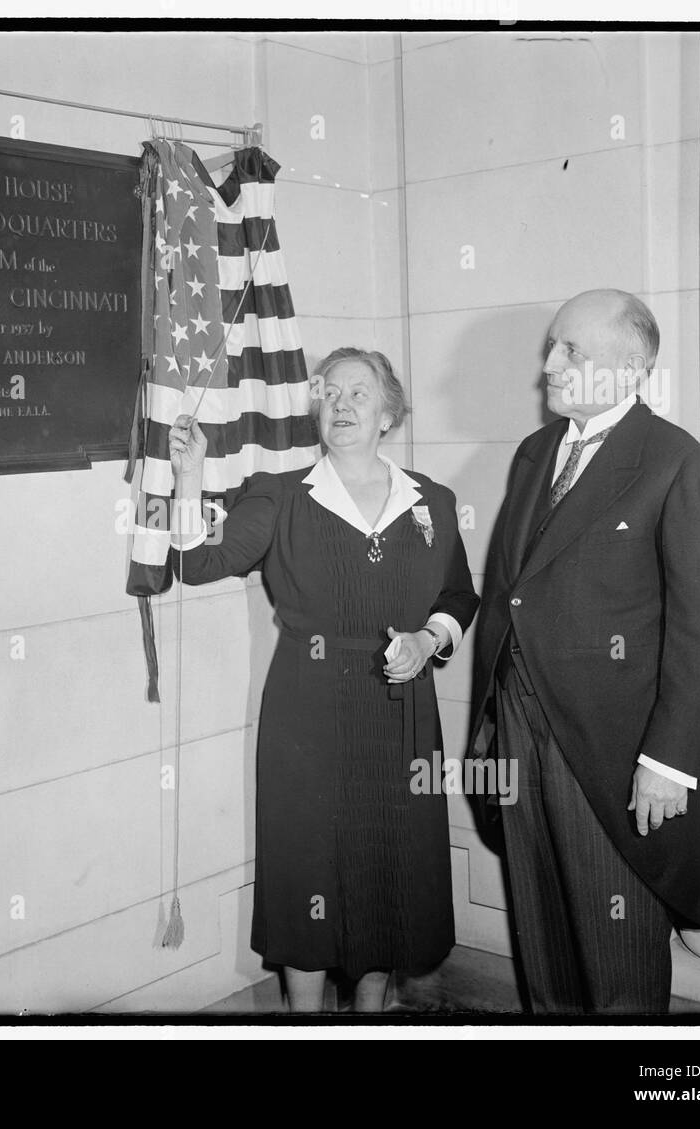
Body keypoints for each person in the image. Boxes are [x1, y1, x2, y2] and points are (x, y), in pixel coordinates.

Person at [169, 347, 479, 1012]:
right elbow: (198, 563)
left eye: (359, 393)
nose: (342, 405)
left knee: (384, 864)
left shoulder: (433, 501)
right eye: (331, 393)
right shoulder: (281, 496)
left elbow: (459, 596)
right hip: (306, 713)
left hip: (400, 711)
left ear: (389, 412)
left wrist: (429, 640)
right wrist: (190, 477)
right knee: (308, 863)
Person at [466, 289, 700, 1014]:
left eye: (570, 352)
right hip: (520, 739)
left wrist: (669, 763)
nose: (548, 365)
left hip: (613, 756)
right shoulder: (535, 454)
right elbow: (509, 594)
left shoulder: (677, 462)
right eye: (554, 347)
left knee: (616, 966)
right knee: (544, 946)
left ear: (626, 370)